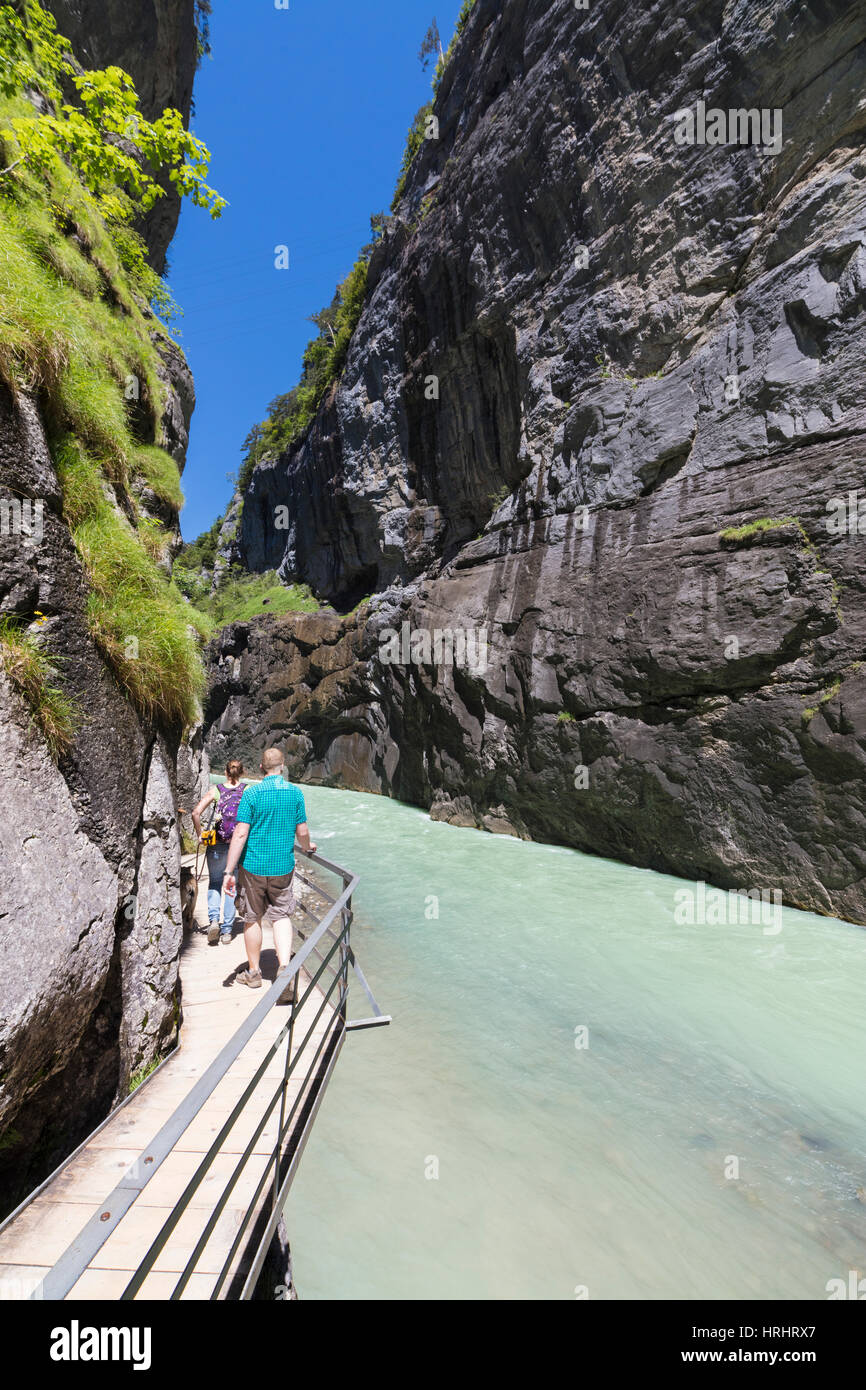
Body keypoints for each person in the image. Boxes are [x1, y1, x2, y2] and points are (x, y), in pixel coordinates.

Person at [223, 747, 316, 990]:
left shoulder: (251, 794)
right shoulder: (295, 793)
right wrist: (307, 847)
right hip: (282, 867)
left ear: (261, 767)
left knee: (252, 918)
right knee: (281, 915)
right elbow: (302, 832)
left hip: (253, 867)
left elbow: (241, 833)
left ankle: (253, 974)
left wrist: (228, 871)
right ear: (282, 766)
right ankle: (284, 970)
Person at [191, 759, 246, 946]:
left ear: (226, 772)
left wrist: (200, 835)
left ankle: (214, 921)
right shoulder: (247, 791)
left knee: (215, 882)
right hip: (237, 846)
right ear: (242, 772)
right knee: (230, 885)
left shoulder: (217, 790)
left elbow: (195, 813)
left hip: (216, 844)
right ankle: (227, 931)